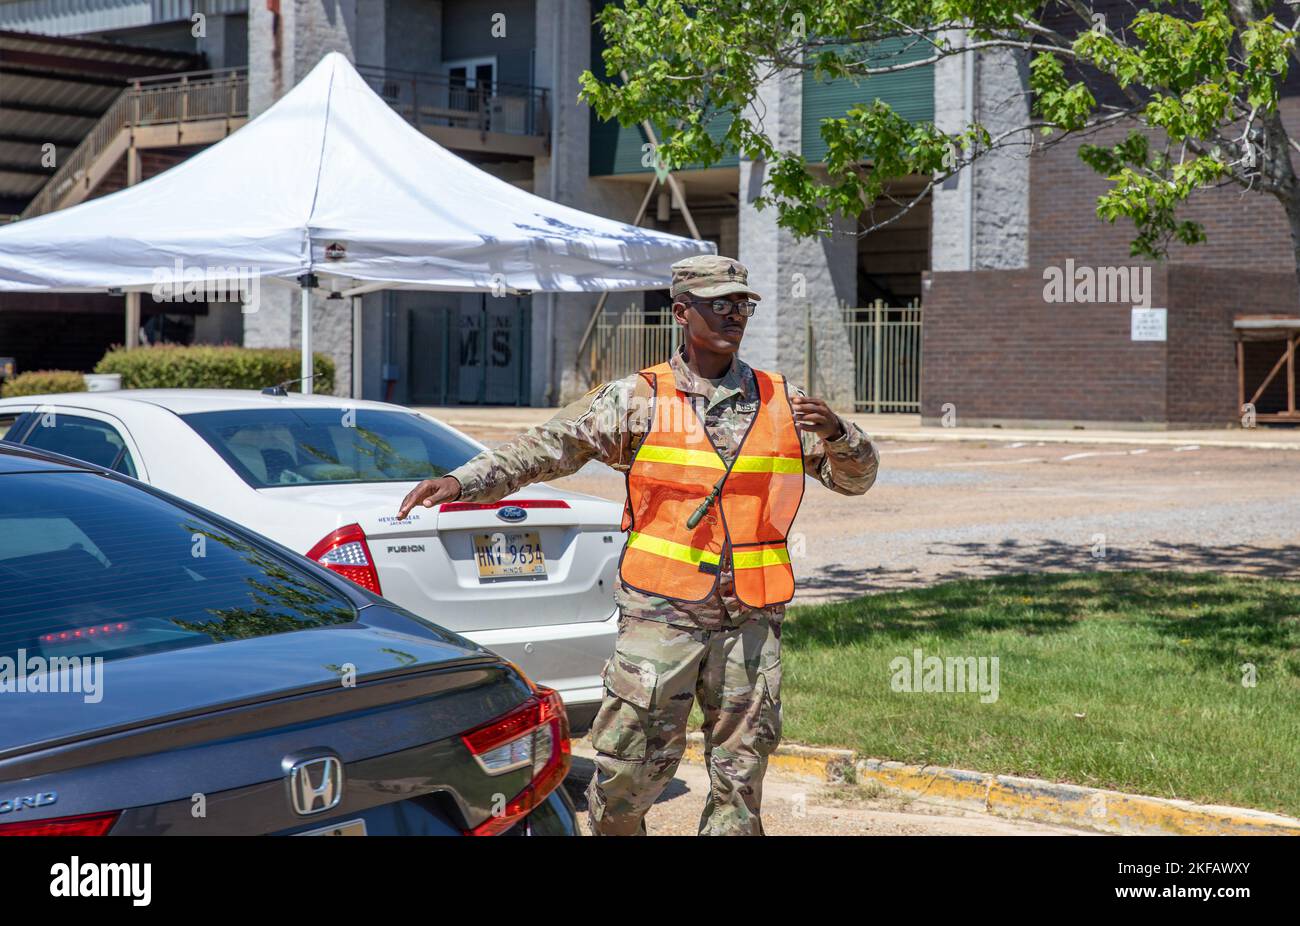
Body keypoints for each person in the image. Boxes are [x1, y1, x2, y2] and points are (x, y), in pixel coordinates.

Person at [397, 255, 879, 835]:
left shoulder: (783, 399)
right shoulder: (638, 398)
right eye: (719, 303)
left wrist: (838, 433)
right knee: (628, 773)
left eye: (742, 304)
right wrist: (463, 482)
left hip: (751, 619)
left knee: (742, 778)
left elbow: (856, 480)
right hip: (662, 618)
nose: (734, 314)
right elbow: (548, 446)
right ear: (681, 312)